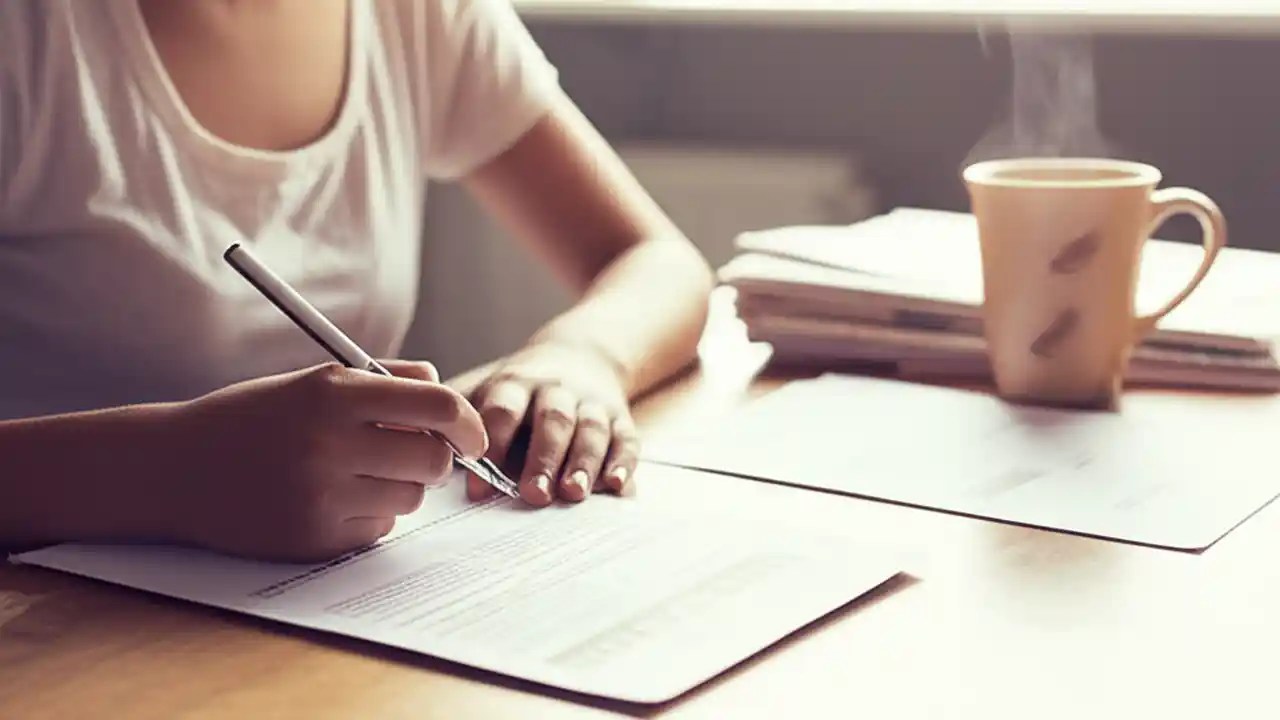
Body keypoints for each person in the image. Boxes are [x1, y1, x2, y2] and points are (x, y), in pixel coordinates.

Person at [0, 0, 713, 561]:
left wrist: (583, 356)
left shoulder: (415, 12)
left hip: (307, 626)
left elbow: (655, 260)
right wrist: (166, 475)